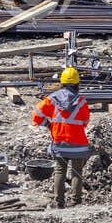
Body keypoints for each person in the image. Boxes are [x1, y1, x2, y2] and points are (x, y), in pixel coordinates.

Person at [33, 65, 91, 208]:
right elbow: (84, 122)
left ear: (62, 82)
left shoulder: (51, 99)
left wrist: (49, 124)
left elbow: (36, 116)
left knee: (60, 170)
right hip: (78, 144)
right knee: (77, 172)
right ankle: (75, 201)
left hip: (59, 141)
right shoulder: (81, 101)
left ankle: (59, 202)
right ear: (77, 84)